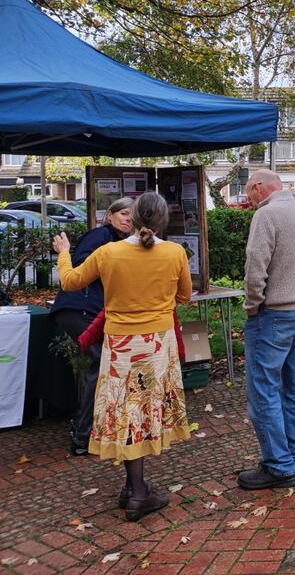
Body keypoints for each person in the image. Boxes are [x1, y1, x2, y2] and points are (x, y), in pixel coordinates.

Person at [52, 192, 191, 522]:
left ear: (133, 217)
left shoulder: (108, 252)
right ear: (161, 221)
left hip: (121, 345)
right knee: (143, 412)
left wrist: (64, 253)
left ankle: (135, 488)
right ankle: (138, 492)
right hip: (157, 344)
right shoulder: (175, 253)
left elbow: (70, 282)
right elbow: (183, 295)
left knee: (128, 412)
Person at [238, 169, 295, 490]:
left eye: (248, 195)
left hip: (274, 313)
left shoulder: (266, 215)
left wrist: (252, 306)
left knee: (263, 390)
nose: (250, 201)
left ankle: (278, 464)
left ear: (258, 188)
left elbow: (254, 269)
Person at [50, 197, 134, 456]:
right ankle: (82, 433)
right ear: (110, 215)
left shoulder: (123, 242)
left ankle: (95, 426)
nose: (128, 219)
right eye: (123, 214)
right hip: (78, 308)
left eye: (132, 216)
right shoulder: (101, 235)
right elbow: (83, 262)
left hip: (90, 310)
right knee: (102, 362)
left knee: (105, 362)